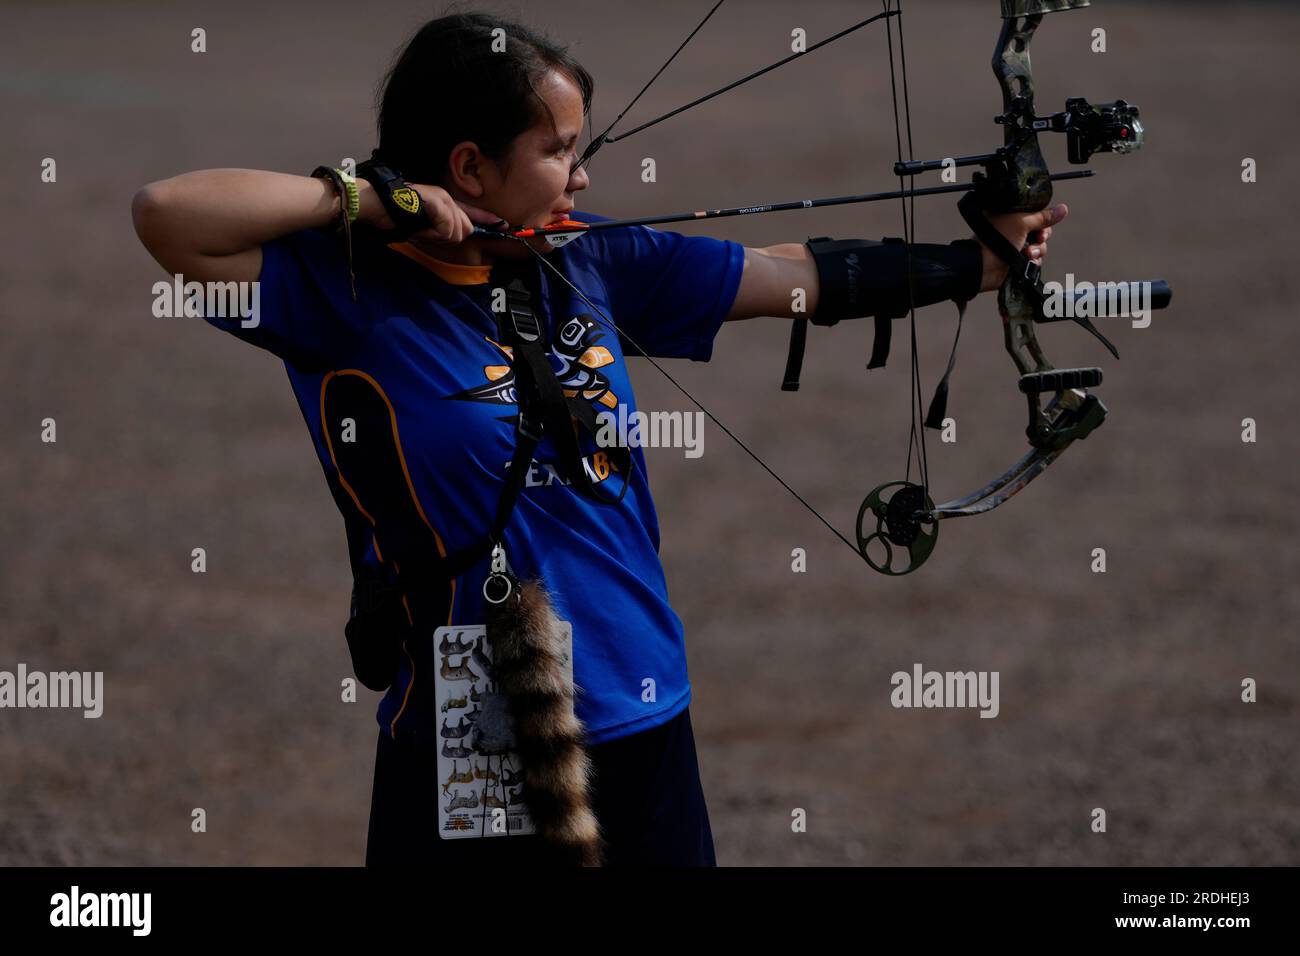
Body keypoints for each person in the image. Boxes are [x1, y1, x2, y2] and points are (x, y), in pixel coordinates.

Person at [130, 12, 1063, 867]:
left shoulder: (588, 258)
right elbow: (167, 215)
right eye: (561, 149)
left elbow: (796, 276)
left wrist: (980, 261)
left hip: (644, 700)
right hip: (476, 715)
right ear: (467, 169)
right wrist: (372, 204)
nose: (581, 175)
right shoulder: (342, 295)